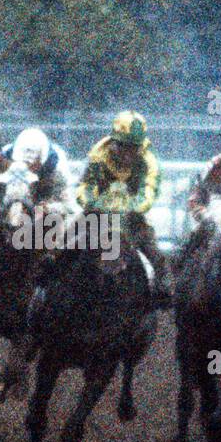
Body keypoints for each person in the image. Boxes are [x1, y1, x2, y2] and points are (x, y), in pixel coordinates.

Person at [75, 110, 168, 302]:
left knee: (156, 254)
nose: (128, 153)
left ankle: (162, 293)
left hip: (131, 216)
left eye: (133, 148)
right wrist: (93, 204)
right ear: (114, 142)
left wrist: (131, 208)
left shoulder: (149, 162)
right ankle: (45, 278)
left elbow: (148, 194)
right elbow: (86, 186)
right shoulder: (98, 155)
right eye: (124, 147)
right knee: (63, 242)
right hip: (98, 213)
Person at [0, 127, 72, 276]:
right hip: (10, 203)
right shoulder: (7, 159)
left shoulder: (57, 168)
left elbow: (67, 204)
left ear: (42, 161)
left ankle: (51, 275)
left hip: (41, 205)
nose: (27, 167)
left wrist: (49, 208)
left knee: (60, 228)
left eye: (32, 165)